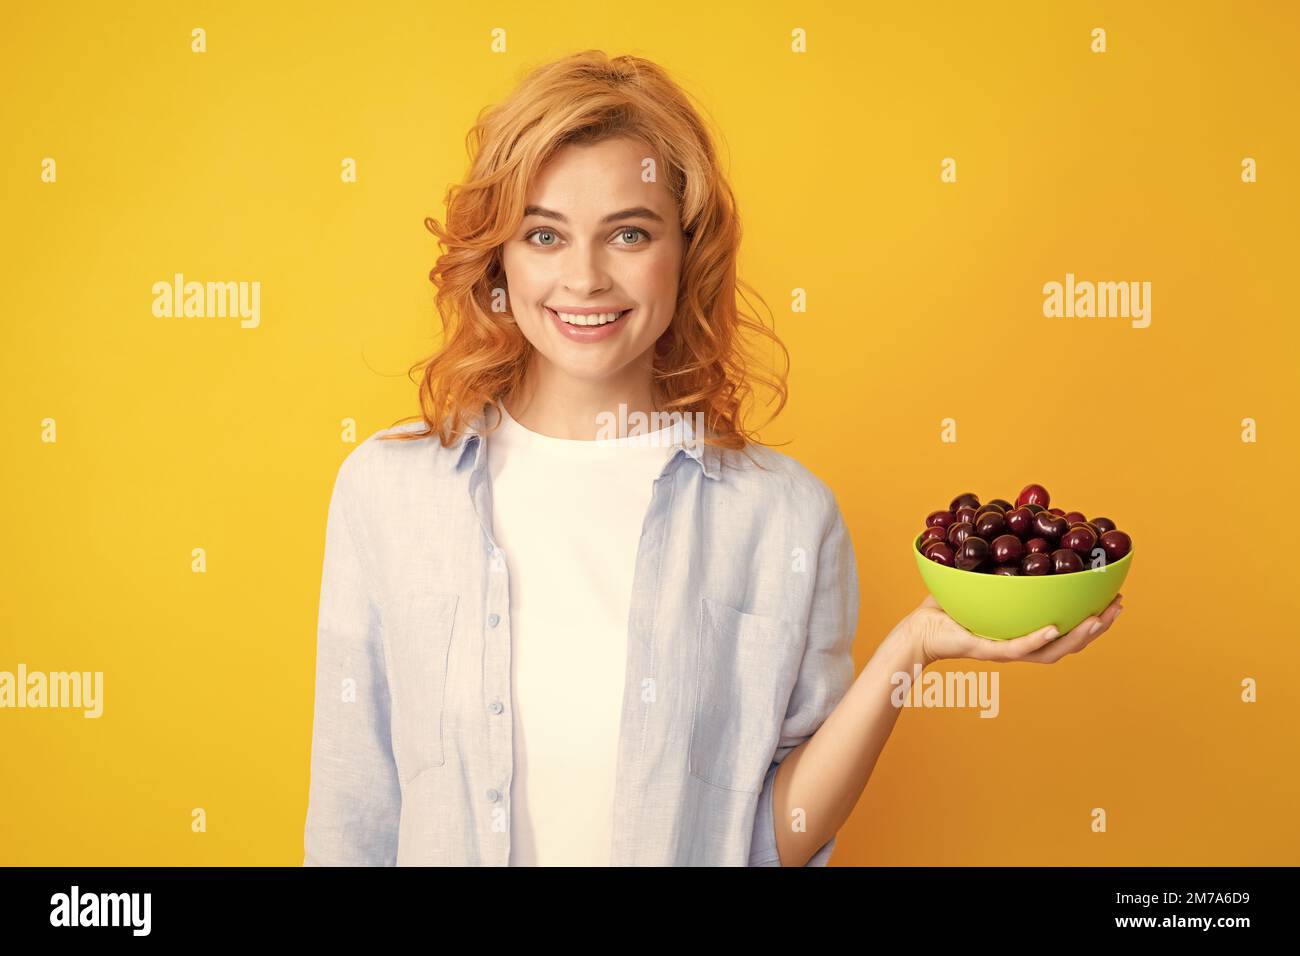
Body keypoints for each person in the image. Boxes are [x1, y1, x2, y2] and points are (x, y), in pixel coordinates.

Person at [302, 50, 1124, 868]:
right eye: (544, 234)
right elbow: (353, 817)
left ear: (687, 252)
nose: (584, 278)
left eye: (629, 232)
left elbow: (772, 844)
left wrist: (909, 650)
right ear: (499, 260)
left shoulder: (785, 517)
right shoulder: (387, 493)